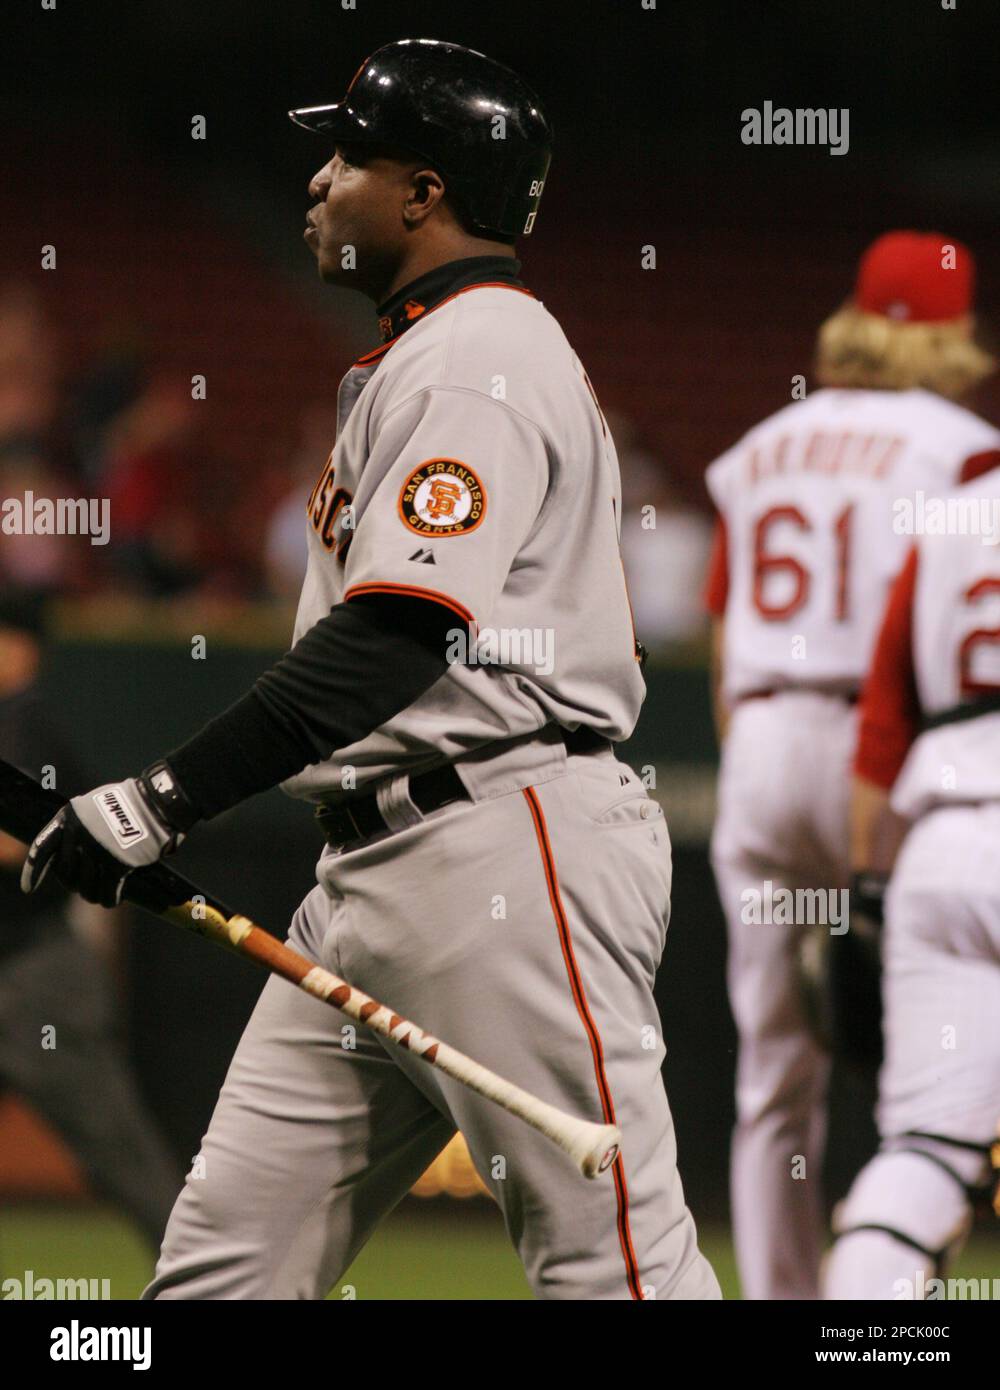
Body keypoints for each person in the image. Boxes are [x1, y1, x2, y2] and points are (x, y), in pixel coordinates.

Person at [22, 38, 719, 1301]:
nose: (317, 182)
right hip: (374, 868)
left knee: (616, 1270)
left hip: (503, 839)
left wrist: (160, 798)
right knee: (219, 1276)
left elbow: (398, 635)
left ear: (423, 192)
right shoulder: (422, 355)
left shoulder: (480, 354)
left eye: (347, 155)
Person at [703, 230, 999, 1299]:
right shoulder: (959, 448)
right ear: (952, 332)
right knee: (918, 1078)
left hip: (765, 739)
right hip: (897, 755)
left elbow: (726, 633)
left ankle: (785, 1297)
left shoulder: (764, 444)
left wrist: (754, 764)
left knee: (771, 1076)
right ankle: (890, 1278)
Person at [822, 453, 1000, 1299]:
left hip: (942, 844)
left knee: (926, 1151)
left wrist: (867, 889)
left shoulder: (952, 517)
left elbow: (882, 728)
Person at [0, 591, 180, 1251]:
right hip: (24, 966)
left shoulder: (25, 726)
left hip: (36, 978)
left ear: (19, 645)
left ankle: (219, 1286)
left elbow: (23, 839)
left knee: (124, 1161)